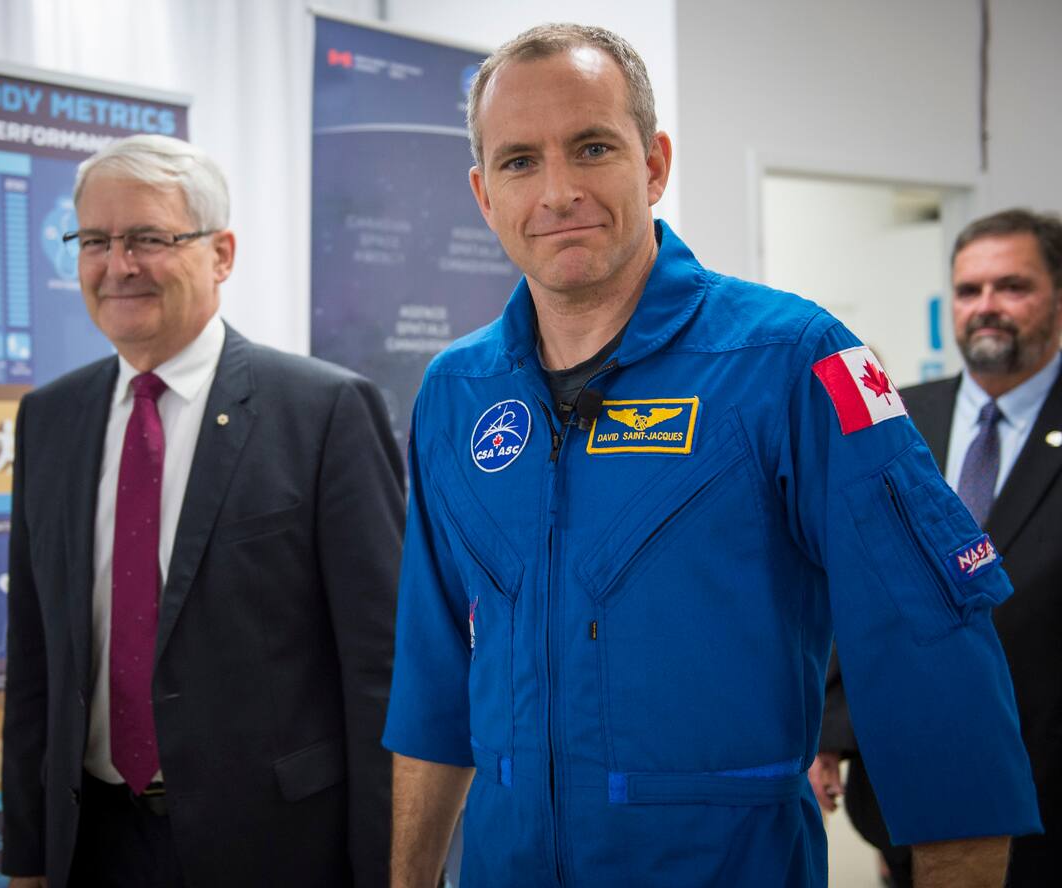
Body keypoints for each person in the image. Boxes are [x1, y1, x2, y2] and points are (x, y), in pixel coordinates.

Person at [381, 24, 1041, 888]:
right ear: (481, 193)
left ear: (653, 163)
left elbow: (932, 655)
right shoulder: (456, 393)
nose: (558, 191)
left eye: (592, 147)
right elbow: (434, 680)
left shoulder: (797, 360)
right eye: (518, 162)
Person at [0, 134, 403, 888]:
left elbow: (380, 672)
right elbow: (34, 664)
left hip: (272, 848)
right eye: (95, 240)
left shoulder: (324, 413)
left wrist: (391, 872)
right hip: (92, 845)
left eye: (149, 238)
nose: (118, 265)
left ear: (221, 254)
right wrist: (27, 859)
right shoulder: (49, 419)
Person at [814, 208, 1062, 887]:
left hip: (1045, 782)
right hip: (905, 787)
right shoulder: (896, 412)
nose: (985, 307)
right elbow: (849, 572)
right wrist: (829, 728)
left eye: (1012, 286)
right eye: (968, 290)